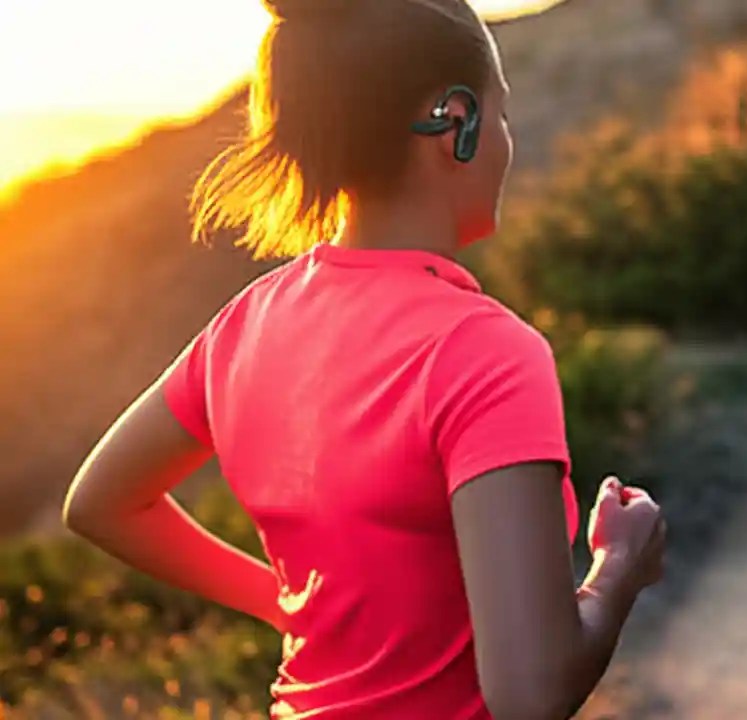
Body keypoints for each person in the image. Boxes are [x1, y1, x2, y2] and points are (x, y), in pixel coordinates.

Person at [60, 0, 667, 717]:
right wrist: (618, 569)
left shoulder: (246, 325)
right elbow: (531, 698)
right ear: (456, 121)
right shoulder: (487, 355)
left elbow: (101, 503)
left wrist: (289, 606)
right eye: (500, 115)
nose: (508, 141)